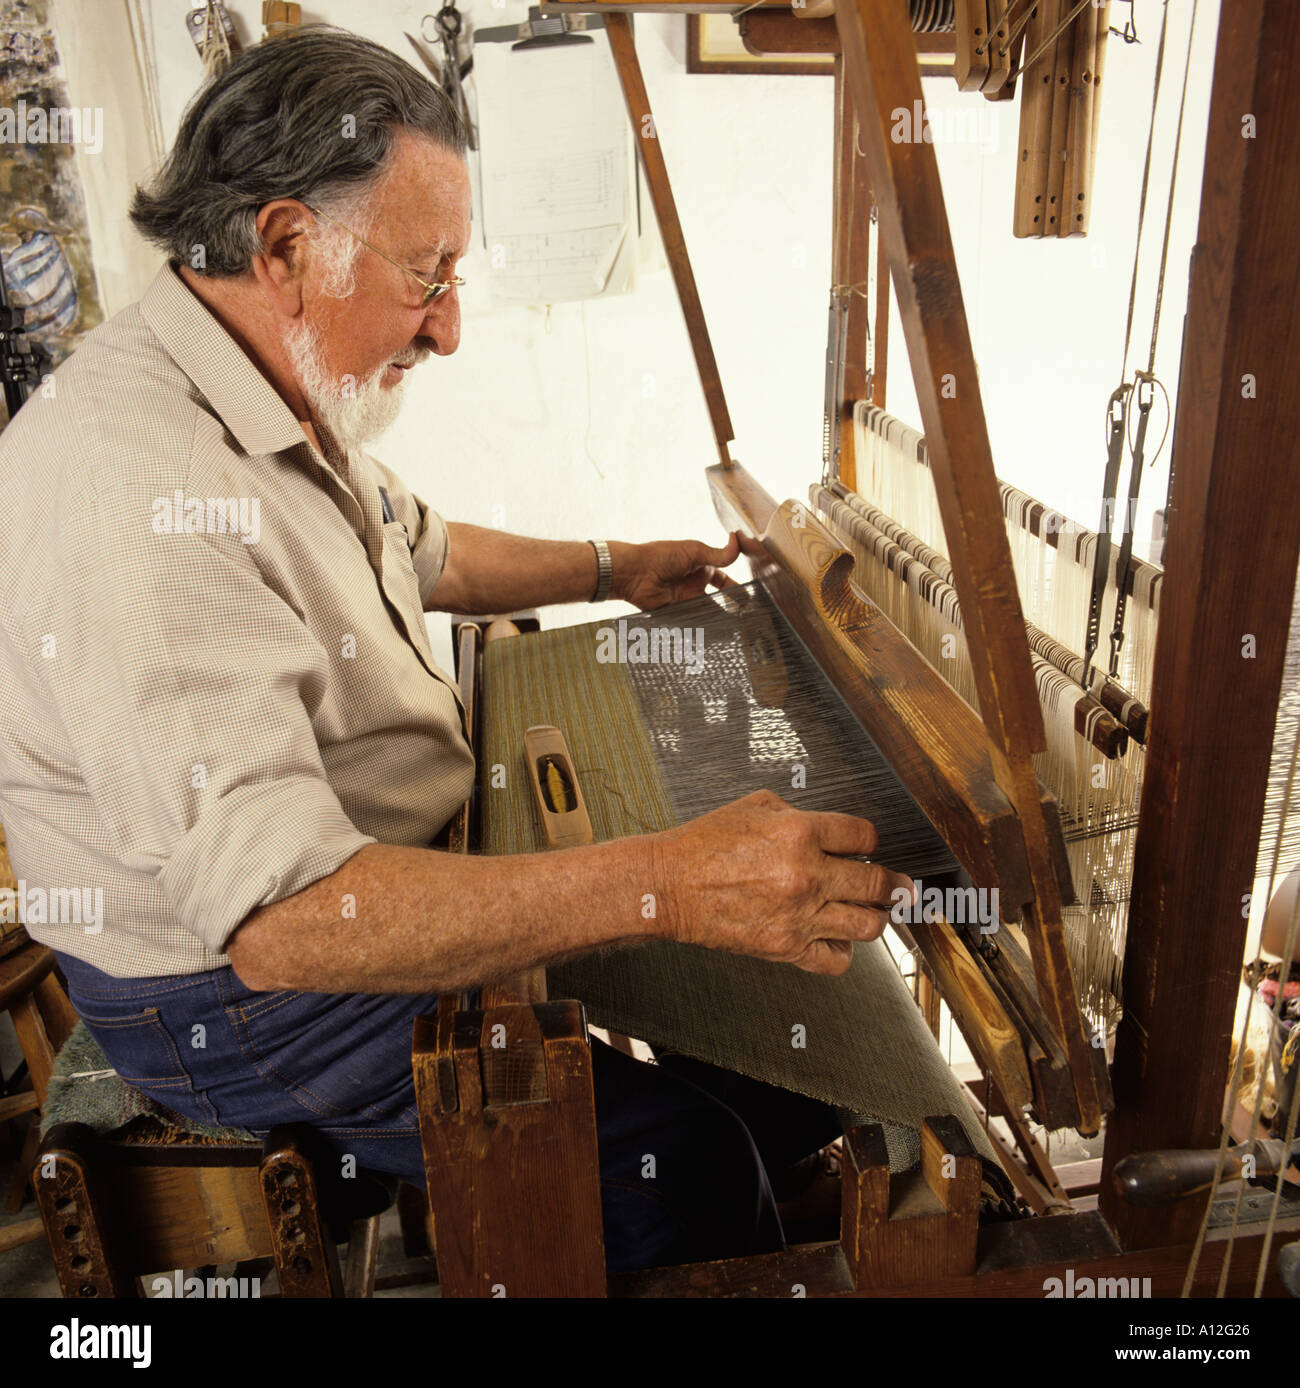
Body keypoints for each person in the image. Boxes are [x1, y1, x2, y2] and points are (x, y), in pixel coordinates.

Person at [0, 28, 910, 1274]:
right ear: (284, 246)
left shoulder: (257, 377)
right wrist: (675, 882)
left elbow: (423, 550)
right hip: (226, 994)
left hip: (338, 881)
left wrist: (609, 563)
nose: (451, 331)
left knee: (788, 1073)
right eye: (428, 278)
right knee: (685, 1163)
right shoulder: (142, 490)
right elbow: (286, 919)